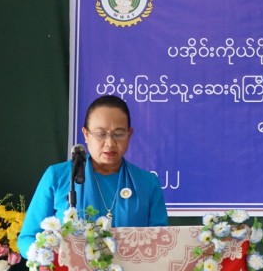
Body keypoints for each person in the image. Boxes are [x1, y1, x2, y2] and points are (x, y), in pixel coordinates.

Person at [17, 95, 168, 257]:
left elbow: (161, 242)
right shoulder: (58, 176)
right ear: (86, 134)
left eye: (118, 134)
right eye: (100, 134)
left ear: (129, 134)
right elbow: (27, 238)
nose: (110, 143)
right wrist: (46, 255)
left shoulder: (147, 183)